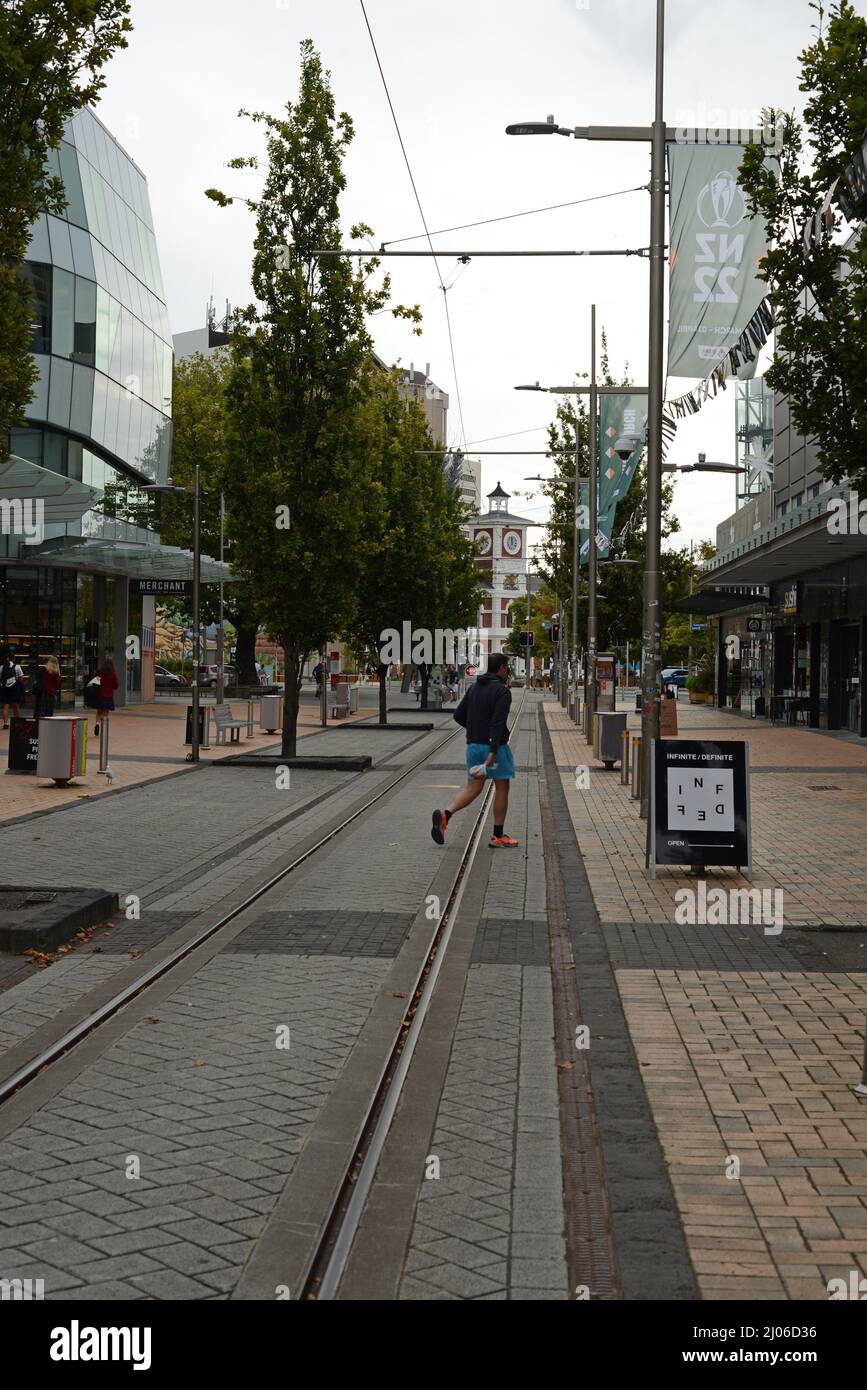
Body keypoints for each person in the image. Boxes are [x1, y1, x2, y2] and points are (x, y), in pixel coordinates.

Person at [430, 651, 519, 849]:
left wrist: (475, 729)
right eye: (507, 668)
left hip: (473, 745)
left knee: (473, 788)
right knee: (502, 788)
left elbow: (459, 715)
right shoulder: (502, 691)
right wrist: (493, 750)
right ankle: (498, 836)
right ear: (502, 668)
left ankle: (446, 815)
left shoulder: (475, 687)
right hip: (494, 749)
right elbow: (498, 722)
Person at [93, 656, 119, 735]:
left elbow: (95, 682)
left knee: (98, 711)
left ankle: (97, 723)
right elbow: (116, 686)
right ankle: (103, 727)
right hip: (108, 696)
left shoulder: (99, 672)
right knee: (105, 712)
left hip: (99, 695)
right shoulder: (112, 674)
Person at [1, 650, 25, 728]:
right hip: (15, 689)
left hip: (5, 689)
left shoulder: (2, 667)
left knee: (6, 706)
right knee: (16, 706)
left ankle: (5, 723)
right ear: (13, 658)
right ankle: (17, 723)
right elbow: (21, 679)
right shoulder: (17, 666)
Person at [33, 654, 61, 718]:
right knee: (49, 709)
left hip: (43, 691)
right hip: (51, 692)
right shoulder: (56, 673)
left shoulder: (45, 670)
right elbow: (57, 683)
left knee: (42, 708)